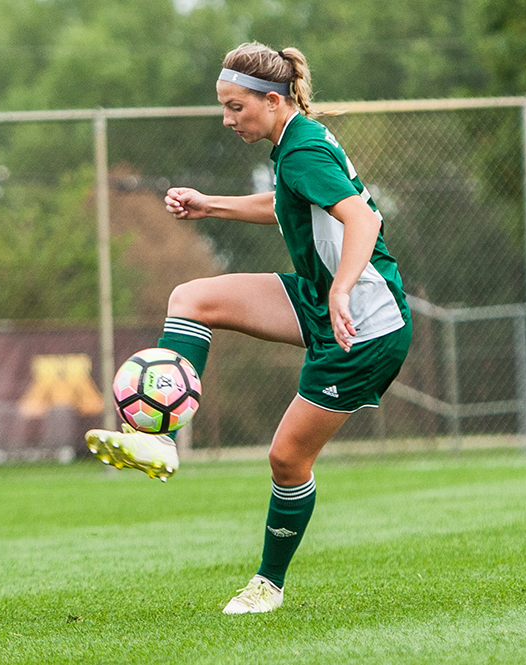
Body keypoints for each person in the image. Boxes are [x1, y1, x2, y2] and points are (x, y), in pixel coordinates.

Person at [85, 41, 411, 615]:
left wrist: (340, 287)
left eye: (236, 107)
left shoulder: (303, 149)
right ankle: (159, 437)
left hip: (363, 325)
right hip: (319, 298)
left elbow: (363, 216)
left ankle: (269, 584)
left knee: (286, 459)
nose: (228, 118)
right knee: (193, 298)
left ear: (271, 99)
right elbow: (289, 205)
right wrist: (211, 206)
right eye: (224, 106)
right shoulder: (294, 144)